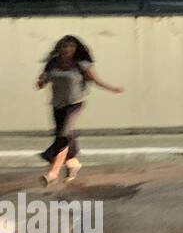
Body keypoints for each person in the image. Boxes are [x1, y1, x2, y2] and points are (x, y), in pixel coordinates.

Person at [35, 35, 124, 185]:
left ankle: (53, 174)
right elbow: (41, 83)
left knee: (63, 135)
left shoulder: (81, 64)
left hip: (75, 104)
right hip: (57, 105)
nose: (67, 49)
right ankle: (73, 164)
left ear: (75, 49)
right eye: (64, 46)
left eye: (71, 47)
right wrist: (41, 81)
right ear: (59, 48)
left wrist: (112, 88)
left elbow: (95, 80)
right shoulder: (52, 64)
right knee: (64, 136)